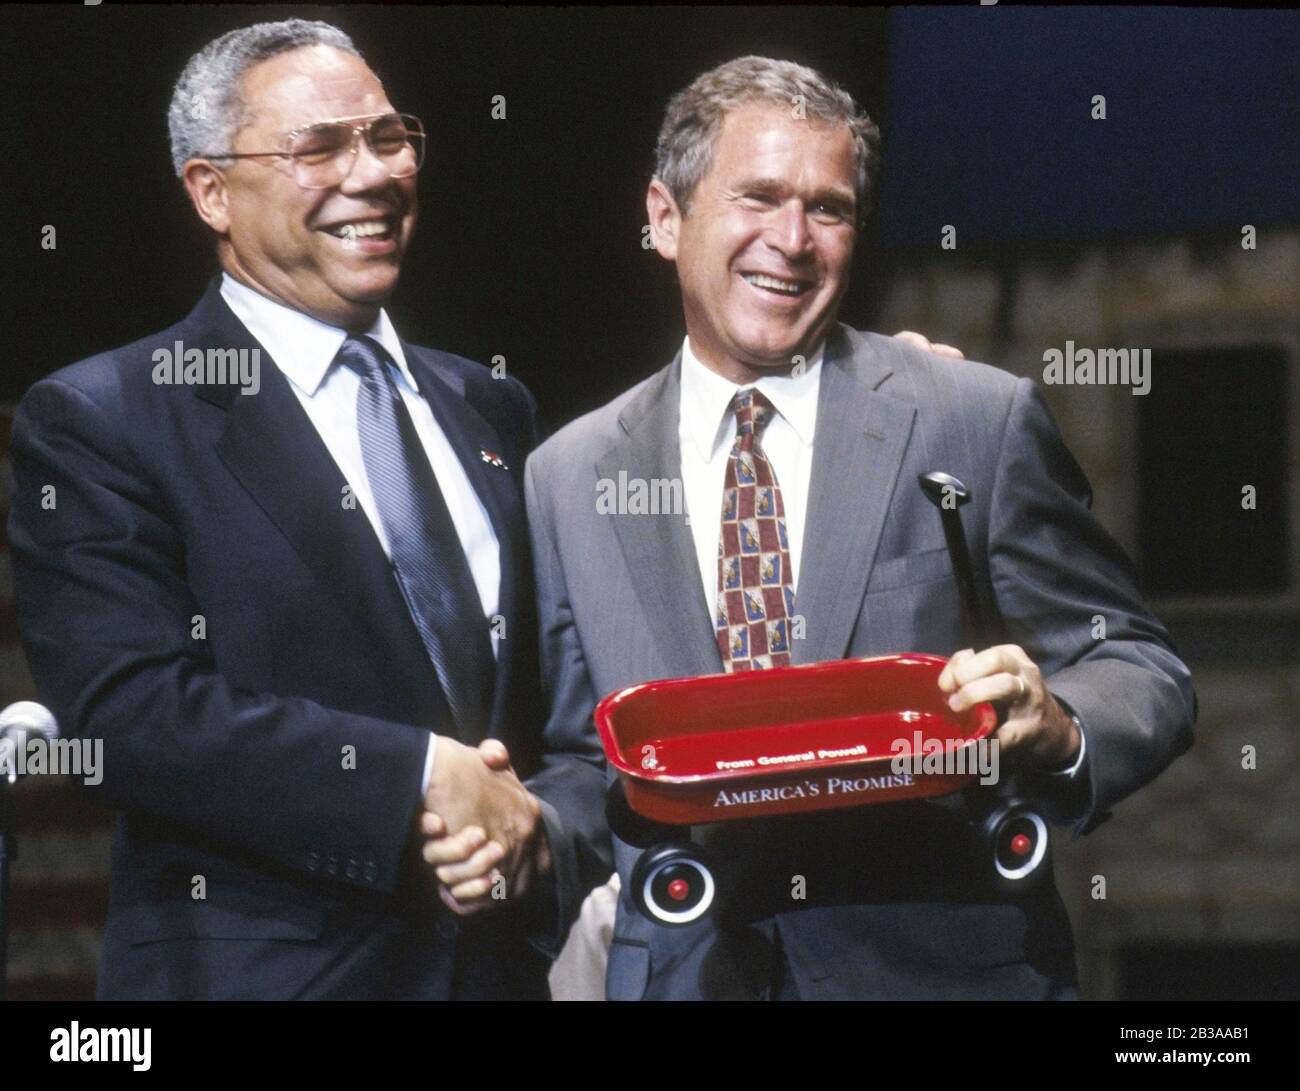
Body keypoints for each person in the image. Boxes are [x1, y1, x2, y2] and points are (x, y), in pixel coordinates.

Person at [493, 56, 1196, 999]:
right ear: (665, 217)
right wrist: (519, 823)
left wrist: (1059, 722)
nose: (792, 239)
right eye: (759, 197)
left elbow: (1141, 664)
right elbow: (594, 759)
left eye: (828, 209)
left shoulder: (970, 420)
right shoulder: (569, 474)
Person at [6, 18, 604, 1000]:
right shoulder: (107, 416)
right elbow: (125, 714)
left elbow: (568, 709)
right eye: (318, 147)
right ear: (210, 192)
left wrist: (543, 827)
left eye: (388, 136)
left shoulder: (491, 407)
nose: (369, 174)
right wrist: (413, 774)